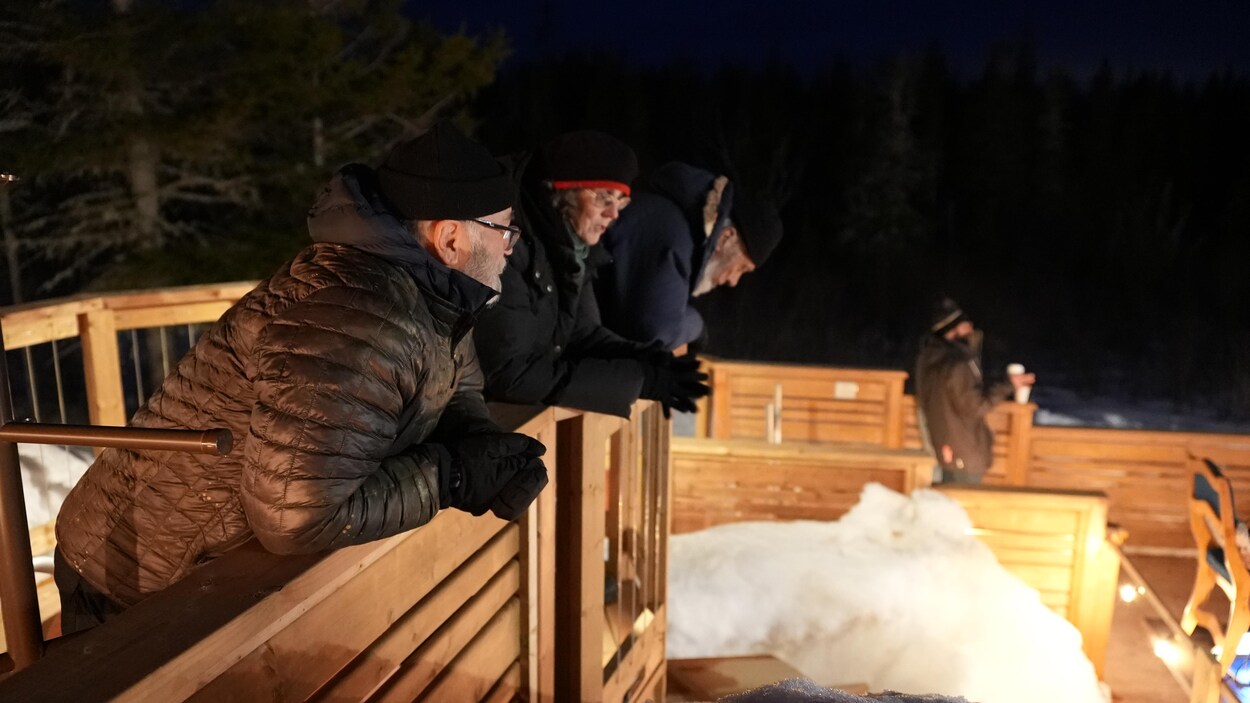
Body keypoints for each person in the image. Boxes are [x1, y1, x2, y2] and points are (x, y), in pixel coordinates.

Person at [53, 122, 549, 633]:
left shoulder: (434, 297)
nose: (511, 247)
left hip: (191, 562)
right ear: (450, 237)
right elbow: (297, 515)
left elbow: (455, 385)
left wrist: (484, 449)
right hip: (130, 571)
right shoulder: (357, 316)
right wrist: (453, 477)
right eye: (504, 229)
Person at [474, 131, 709, 418]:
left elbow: (580, 335)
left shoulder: (572, 250)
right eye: (603, 198)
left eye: (621, 202)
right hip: (475, 422)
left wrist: (647, 358)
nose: (613, 214)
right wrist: (641, 382)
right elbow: (510, 373)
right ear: (562, 192)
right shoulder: (507, 244)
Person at [595, 161, 784, 351]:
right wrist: (697, 328)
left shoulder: (679, 230)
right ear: (725, 238)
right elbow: (655, 329)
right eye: (741, 268)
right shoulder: (673, 235)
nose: (733, 281)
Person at [914, 297, 1035, 484]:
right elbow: (975, 406)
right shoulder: (958, 363)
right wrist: (1008, 385)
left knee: (950, 505)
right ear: (952, 331)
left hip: (946, 446)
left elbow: (957, 393)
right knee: (963, 506)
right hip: (964, 450)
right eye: (965, 325)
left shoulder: (930, 358)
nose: (971, 327)